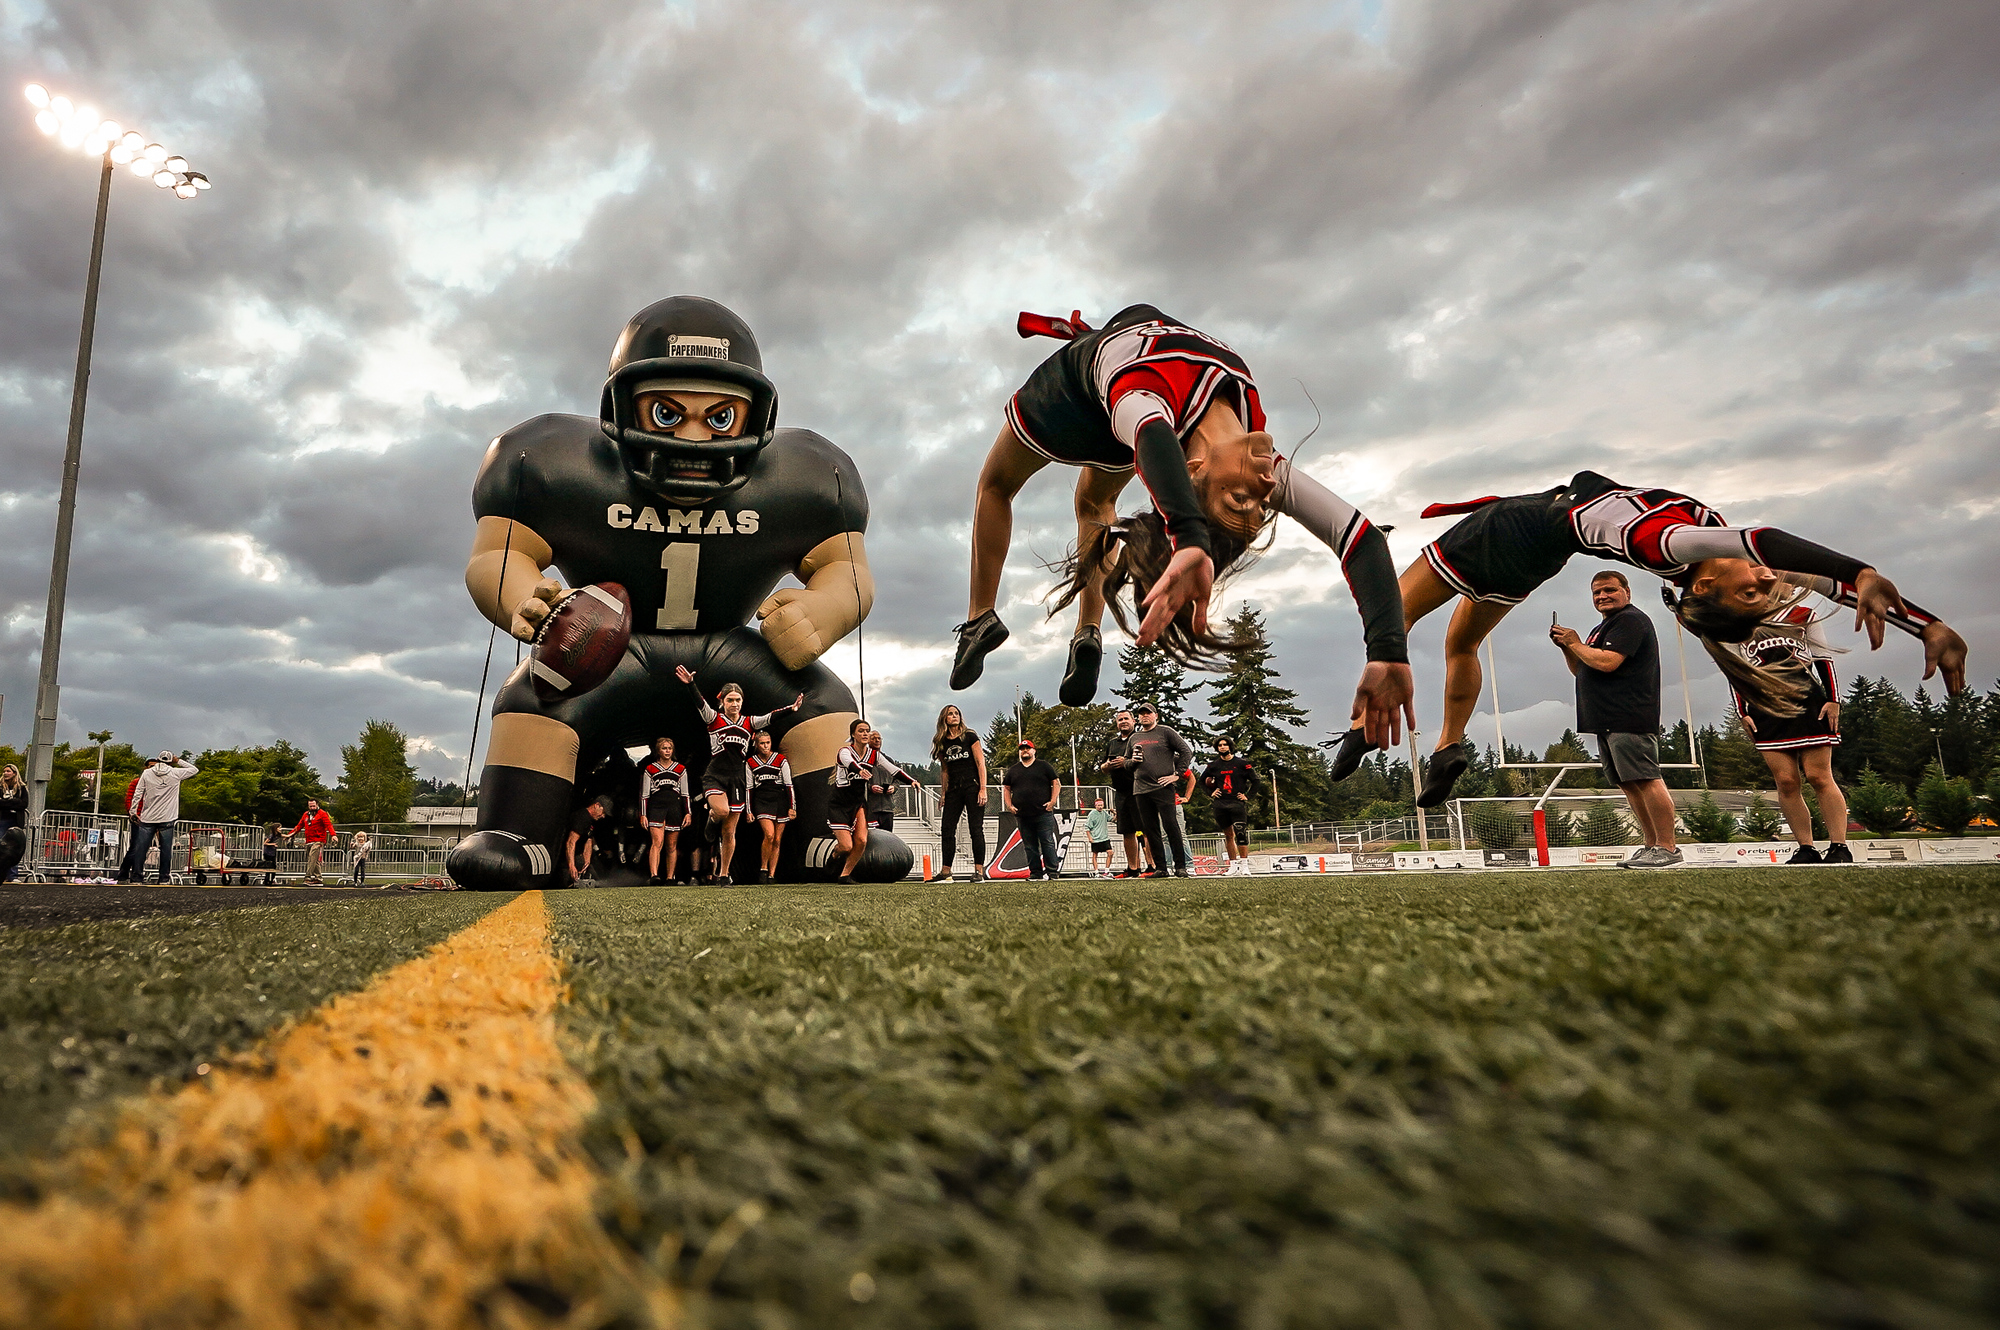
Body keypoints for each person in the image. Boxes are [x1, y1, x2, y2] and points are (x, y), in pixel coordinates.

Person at [448, 297, 878, 892]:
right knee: (537, 690)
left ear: (754, 416)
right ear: (622, 405)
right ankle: (521, 835)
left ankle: (827, 841)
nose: (695, 437)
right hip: (608, 648)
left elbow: (847, 570)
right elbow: (497, 554)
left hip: (731, 652)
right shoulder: (548, 461)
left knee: (822, 699)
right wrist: (523, 596)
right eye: (668, 414)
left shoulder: (808, 476)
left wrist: (826, 607)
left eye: (720, 418)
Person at [952, 305, 1414, 760]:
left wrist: (1190, 538)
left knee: (996, 485)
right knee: (1095, 503)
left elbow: (1152, 433)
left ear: (1192, 469)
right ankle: (1087, 631)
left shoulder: (1145, 400)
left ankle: (980, 617)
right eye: (1259, 505)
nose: (1265, 489)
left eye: (1240, 501)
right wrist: (1388, 650)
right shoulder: (1258, 466)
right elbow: (1363, 538)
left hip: (1073, 398)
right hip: (1127, 390)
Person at [1398, 470, 1970, 806]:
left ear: (1704, 585)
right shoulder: (1719, 563)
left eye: (1754, 592)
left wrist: (1864, 571)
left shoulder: (1671, 546)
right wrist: (1927, 625)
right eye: (1763, 589)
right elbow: (1820, 579)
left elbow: (1768, 540)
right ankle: (1448, 741)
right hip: (1549, 530)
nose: (1767, 579)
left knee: (1413, 624)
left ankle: (1422, 730)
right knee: (1460, 644)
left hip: (1527, 524)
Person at [1551, 571, 1680, 868]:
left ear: (1627, 591)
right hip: (1605, 717)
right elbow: (1582, 669)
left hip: (1628, 714)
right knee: (1629, 783)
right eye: (1596, 592)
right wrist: (1568, 647)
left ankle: (1668, 847)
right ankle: (1652, 845)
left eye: (1609, 590)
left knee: (1646, 779)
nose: (1602, 596)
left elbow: (1608, 663)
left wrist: (1575, 642)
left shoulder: (1630, 620)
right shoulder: (1602, 627)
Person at [1721, 584, 1853, 865]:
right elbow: (1735, 669)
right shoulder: (1738, 621)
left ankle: (1839, 845)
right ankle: (1805, 847)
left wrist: (1833, 699)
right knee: (1786, 781)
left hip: (1808, 701)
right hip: (1765, 706)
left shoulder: (1805, 614)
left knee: (1819, 776)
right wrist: (1742, 710)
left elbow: (1822, 658)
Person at [675, 664, 801, 887]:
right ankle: (711, 820)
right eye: (730, 700)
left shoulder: (749, 722)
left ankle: (723, 874)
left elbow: (770, 717)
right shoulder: (713, 719)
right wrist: (691, 685)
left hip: (737, 778)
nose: (734, 704)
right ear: (722, 701)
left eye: (738, 700)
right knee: (721, 811)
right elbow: (700, 703)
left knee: (730, 831)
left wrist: (791, 709)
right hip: (715, 775)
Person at [1128, 704, 1194, 877]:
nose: (1144, 716)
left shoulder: (1165, 732)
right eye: (1141, 714)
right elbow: (1127, 764)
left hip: (1163, 787)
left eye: (1148, 713)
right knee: (1151, 830)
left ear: (1155, 715)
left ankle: (1180, 866)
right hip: (1141, 790)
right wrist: (1133, 761)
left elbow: (1186, 751)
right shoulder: (1134, 737)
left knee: (1171, 826)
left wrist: (1177, 774)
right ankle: (1161, 868)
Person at [120, 753, 199, 884]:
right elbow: (194, 769)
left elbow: (138, 793)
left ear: (158, 760)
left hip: (148, 817)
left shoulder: (147, 774)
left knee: (141, 849)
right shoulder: (176, 773)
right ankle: (163, 878)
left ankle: (136, 877)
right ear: (170, 762)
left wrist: (133, 812)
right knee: (166, 849)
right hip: (167, 817)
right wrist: (178, 760)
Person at [932, 705, 988, 881]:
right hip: (953, 789)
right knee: (947, 829)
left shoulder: (969, 736)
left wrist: (983, 789)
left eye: (956, 713)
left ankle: (979, 871)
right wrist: (943, 793)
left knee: (975, 829)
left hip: (972, 786)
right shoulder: (941, 742)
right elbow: (944, 770)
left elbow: (980, 763)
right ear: (944, 718)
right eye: (950, 714)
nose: (954, 716)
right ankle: (946, 871)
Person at [1099, 709, 1156, 877]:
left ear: (1134, 721)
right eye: (1120, 719)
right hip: (1121, 792)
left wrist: (1126, 762)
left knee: (1146, 829)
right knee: (1127, 831)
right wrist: (1109, 765)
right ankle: (1132, 868)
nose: (1123, 721)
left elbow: (1149, 763)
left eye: (1126, 718)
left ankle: (1152, 866)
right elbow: (1102, 768)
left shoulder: (1141, 739)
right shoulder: (1112, 743)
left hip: (1140, 789)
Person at [1000, 739, 1063, 880]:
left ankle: (1052, 872)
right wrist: (1009, 805)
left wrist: (1052, 801)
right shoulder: (1014, 769)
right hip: (1022, 814)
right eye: (1022, 749)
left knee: (1047, 842)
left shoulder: (1044, 766)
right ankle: (1035, 873)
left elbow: (1056, 783)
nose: (1025, 751)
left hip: (1043, 813)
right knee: (1029, 846)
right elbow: (1006, 788)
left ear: (1034, 750)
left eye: (1028, 748)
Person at [826, 719, 879, 884]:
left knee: (862, 841)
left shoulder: (873, 754)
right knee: (846, 846)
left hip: (858, 803)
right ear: (853, 734)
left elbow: (893, 769)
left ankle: (845, 875)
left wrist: (911, 781)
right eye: (861, 731)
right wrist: (860, 770)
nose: (865, 734)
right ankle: (835, 854)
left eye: (867, 731)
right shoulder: (845, 751)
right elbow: (849, 763)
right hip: (840, 803)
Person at [1201, 737, 1257, 876]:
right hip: (1221, 803)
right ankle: (1232, 865)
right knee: (1228, 835)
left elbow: (1256, 780)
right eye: (1220, 745)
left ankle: (1244, 866)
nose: (1222, 747)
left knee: (1241, 833)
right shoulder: (1213, 765)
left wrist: (1248, 796)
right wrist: (1211, 792)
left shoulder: (1242, 764)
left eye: (1225, 744)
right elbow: (1202, 781)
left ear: (1230, 747)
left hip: (1236, 802)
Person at [640, 736, 692, 884]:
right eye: (664, 748)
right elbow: (644, 795)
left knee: (671, 845)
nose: (667, 751)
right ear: (658, 750)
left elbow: (685, 794)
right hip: (656, 806)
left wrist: (688, 812)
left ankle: (670, 877)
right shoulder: (650, 769)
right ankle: (654, 875)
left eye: (669, 748)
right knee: (657, 841)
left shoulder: (680, 769)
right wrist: (643, 815)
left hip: (674, 807)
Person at [746, 729, 795, 883]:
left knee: (778, 839)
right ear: (756, 744)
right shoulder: (751, 762)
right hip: (762, 800)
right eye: (762, 743)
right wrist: (749, 810)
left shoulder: (781, 760)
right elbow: (749, 788)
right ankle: (763, 868)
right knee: (769, 835)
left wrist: (792, 806)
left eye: (768, 743)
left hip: (780, 799)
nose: (765, 746)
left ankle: (772, 874)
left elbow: (788, 784)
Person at [864, 727, 920, 832]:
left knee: (887, 838)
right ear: (868, 740)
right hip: (870, 808)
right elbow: (858, 781)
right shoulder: (864, 760)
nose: (877, 740)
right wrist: (870, 788)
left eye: (879, 738)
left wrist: (893, 788)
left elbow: (897, 779)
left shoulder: (888, 760)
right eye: (874, 738)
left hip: (887, 808)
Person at [288, 798, 335, 886]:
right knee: (314, 860)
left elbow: (329, 825)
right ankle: (318, 878)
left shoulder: (322, 814)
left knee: (312, 858)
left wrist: (333, 835)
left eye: (314, 806)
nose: (312, 808)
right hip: (309, 840)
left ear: (317, 805)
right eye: (310, 806)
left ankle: (308, 877)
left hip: (319, 840)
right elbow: (299, 826)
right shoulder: (306, 814)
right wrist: (289, 835)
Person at [567, 796, 609, 884]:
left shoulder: (591, 820)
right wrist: (571, 866)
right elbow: (571, 842)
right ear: (597, 805)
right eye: (603, 812)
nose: (603, 816)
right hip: (567, 859)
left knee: (594, 880)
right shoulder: (581, 817)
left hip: (578, 856)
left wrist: (587, 860)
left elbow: (589, 839)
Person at [0, 764, 25, 883]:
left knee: (14, 848)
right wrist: (11, 803)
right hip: (2, 819)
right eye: (4, 771)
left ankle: (13, 875)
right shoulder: (0, 787)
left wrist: (9, 802)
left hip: (16, 820)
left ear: (14, 773)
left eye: (8, 771)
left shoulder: (21, 788)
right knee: (2, 847)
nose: (5, 773)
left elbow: (24, 803)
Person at [1082, 799, 1113, 877]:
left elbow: (1112, 819)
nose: (1100, 807)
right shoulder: (1092, 814)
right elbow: (1087, 826)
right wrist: (1090, 838)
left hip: (1105, 838)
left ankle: (1107, 870)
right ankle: (1096, 872)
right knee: (1095, 855)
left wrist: (1115, 813)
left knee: (1110, 852)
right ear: (1095, 806)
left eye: (1101, 805)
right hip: (1096, 838)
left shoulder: (1104, 813)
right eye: (1098, 805)